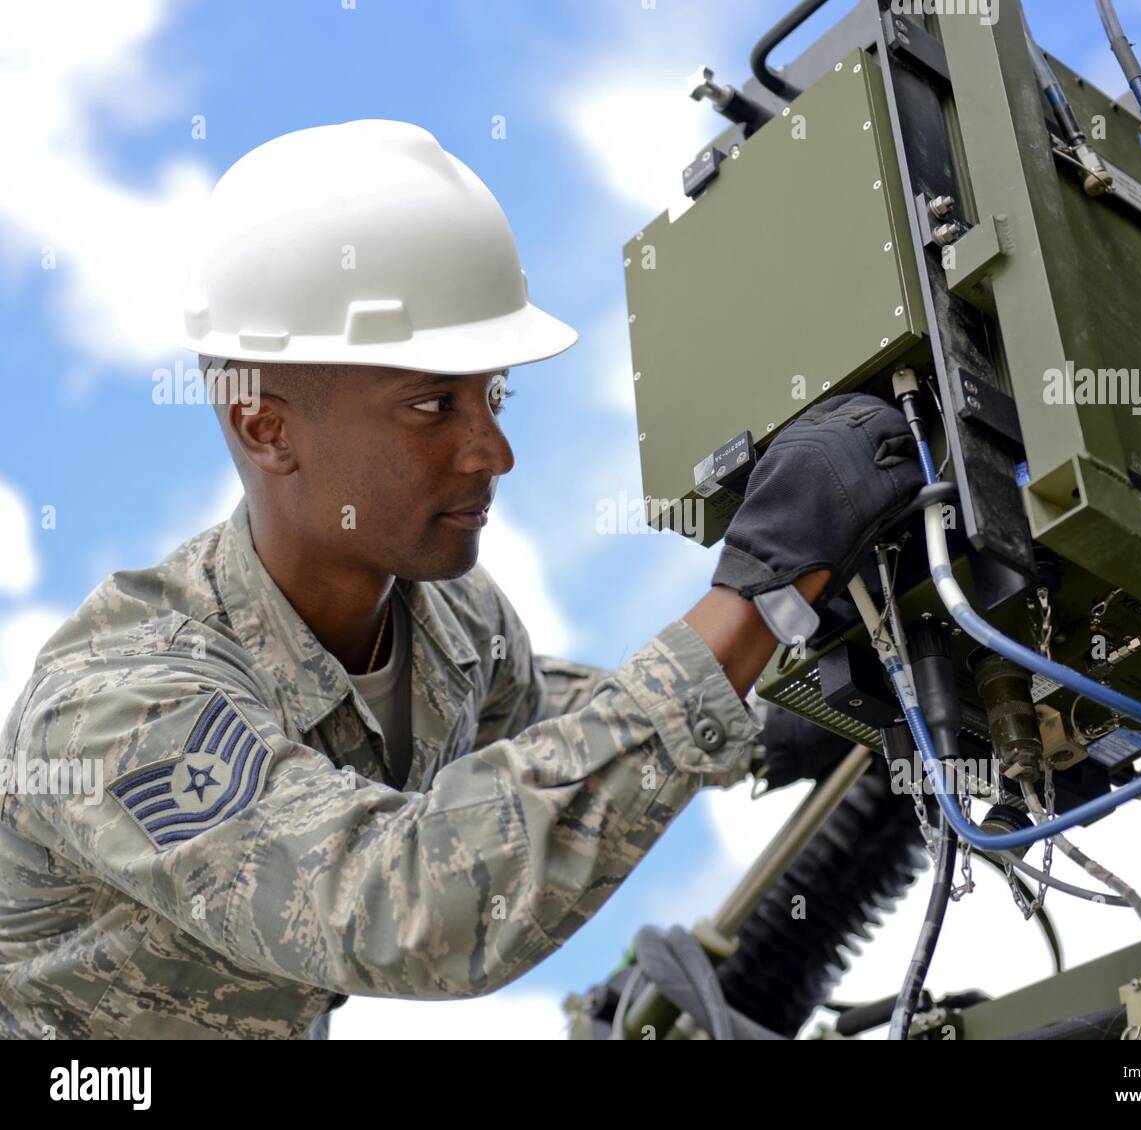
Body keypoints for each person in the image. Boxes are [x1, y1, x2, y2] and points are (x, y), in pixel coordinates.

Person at [0, 120, 923, 1039]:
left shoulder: (448, 618)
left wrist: (782, 718)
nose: (494, 452)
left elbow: (547, 725)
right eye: (433, 404)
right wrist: (754, 594)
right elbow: (400, 906)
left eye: (494, 396)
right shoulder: (116, 707)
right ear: (266, 428)